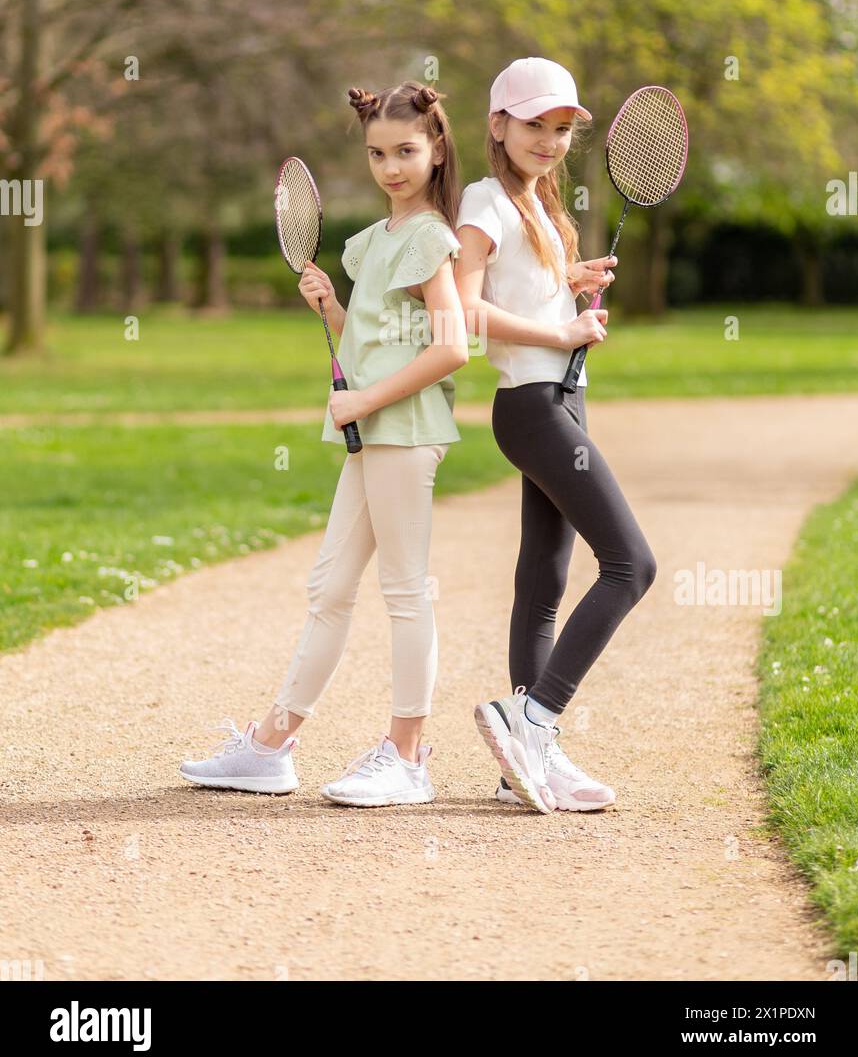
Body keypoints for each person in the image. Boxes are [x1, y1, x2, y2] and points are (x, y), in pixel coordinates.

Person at [180, 81, 468, 806]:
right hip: (371, 430)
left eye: (406, 151)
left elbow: (453, 348)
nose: (392, 167)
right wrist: (334, 308)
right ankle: (271, 747)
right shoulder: (373, 243)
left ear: (436, 149)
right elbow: (373, 344)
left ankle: (407, 757)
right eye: (378, 154)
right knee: (330, 588)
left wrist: (363, 401)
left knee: (404, 591)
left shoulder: (433, 237)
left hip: (402, 431)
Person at [454, 57, 657, 813]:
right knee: (632, 565)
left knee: (544, 579)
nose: (548, 139)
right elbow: (465, 309)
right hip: (533, 407)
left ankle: (522, 768)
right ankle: (533, 718)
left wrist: (569, 281)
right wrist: (558, 325)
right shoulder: (483, 200)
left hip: (562, 402)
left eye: (562, 128)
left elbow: (515, 288)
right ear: (498, 125)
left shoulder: (535, 205)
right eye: (533, 124)